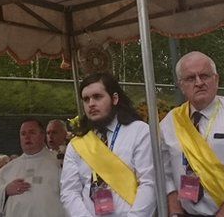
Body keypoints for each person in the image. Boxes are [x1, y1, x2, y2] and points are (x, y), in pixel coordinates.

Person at [160, 51, 224, 217]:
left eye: (204, 76)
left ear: (216, 79)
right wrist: (175, 212)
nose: (199, 82)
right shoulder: (169, 122)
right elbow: (164, 173)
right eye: (190, 78)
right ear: (181, 85)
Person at [60, 72, 157, 217]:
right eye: (86, 99)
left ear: (115, 98)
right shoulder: (77, 144)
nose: (91, 104)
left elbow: (150, 183)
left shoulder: (139, 131)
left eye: (97, 97)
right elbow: (69, 192)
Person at [0, 119, 66, 217]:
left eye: (32, 132)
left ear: (42, 135)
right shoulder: (8, 169)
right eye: (23, 134)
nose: (27, 137)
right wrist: (5, 190)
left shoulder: (59, 164)